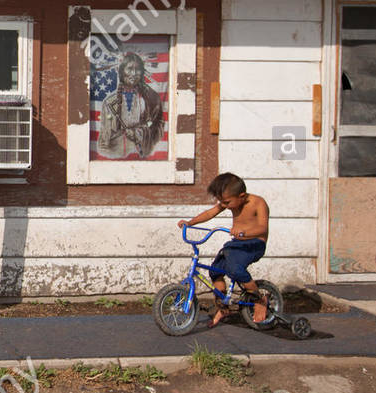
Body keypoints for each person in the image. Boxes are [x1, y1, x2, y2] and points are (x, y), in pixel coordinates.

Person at [177, 172, 270, 327]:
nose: (224, 206)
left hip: (254, 244)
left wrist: (244, 233)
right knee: (215, 270)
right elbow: (210, 213)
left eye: (226, 202)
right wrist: (190, 222)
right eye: (222, 202)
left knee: (235, 269)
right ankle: (223, 307)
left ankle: (260, 300)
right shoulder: (229, 201)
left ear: (242, 196)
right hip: (237, 244)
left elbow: (262, 228)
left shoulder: (258, 203)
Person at [97, 51, 164, 159]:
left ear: (142, 72)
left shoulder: (152, 99)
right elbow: (104, 139)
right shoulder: (109, 103)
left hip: (142, 156)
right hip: (115, 157)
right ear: (122, 71)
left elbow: (158, 127)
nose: (133, 73)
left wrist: (138, 134)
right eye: (129, 69)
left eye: (137, 69)